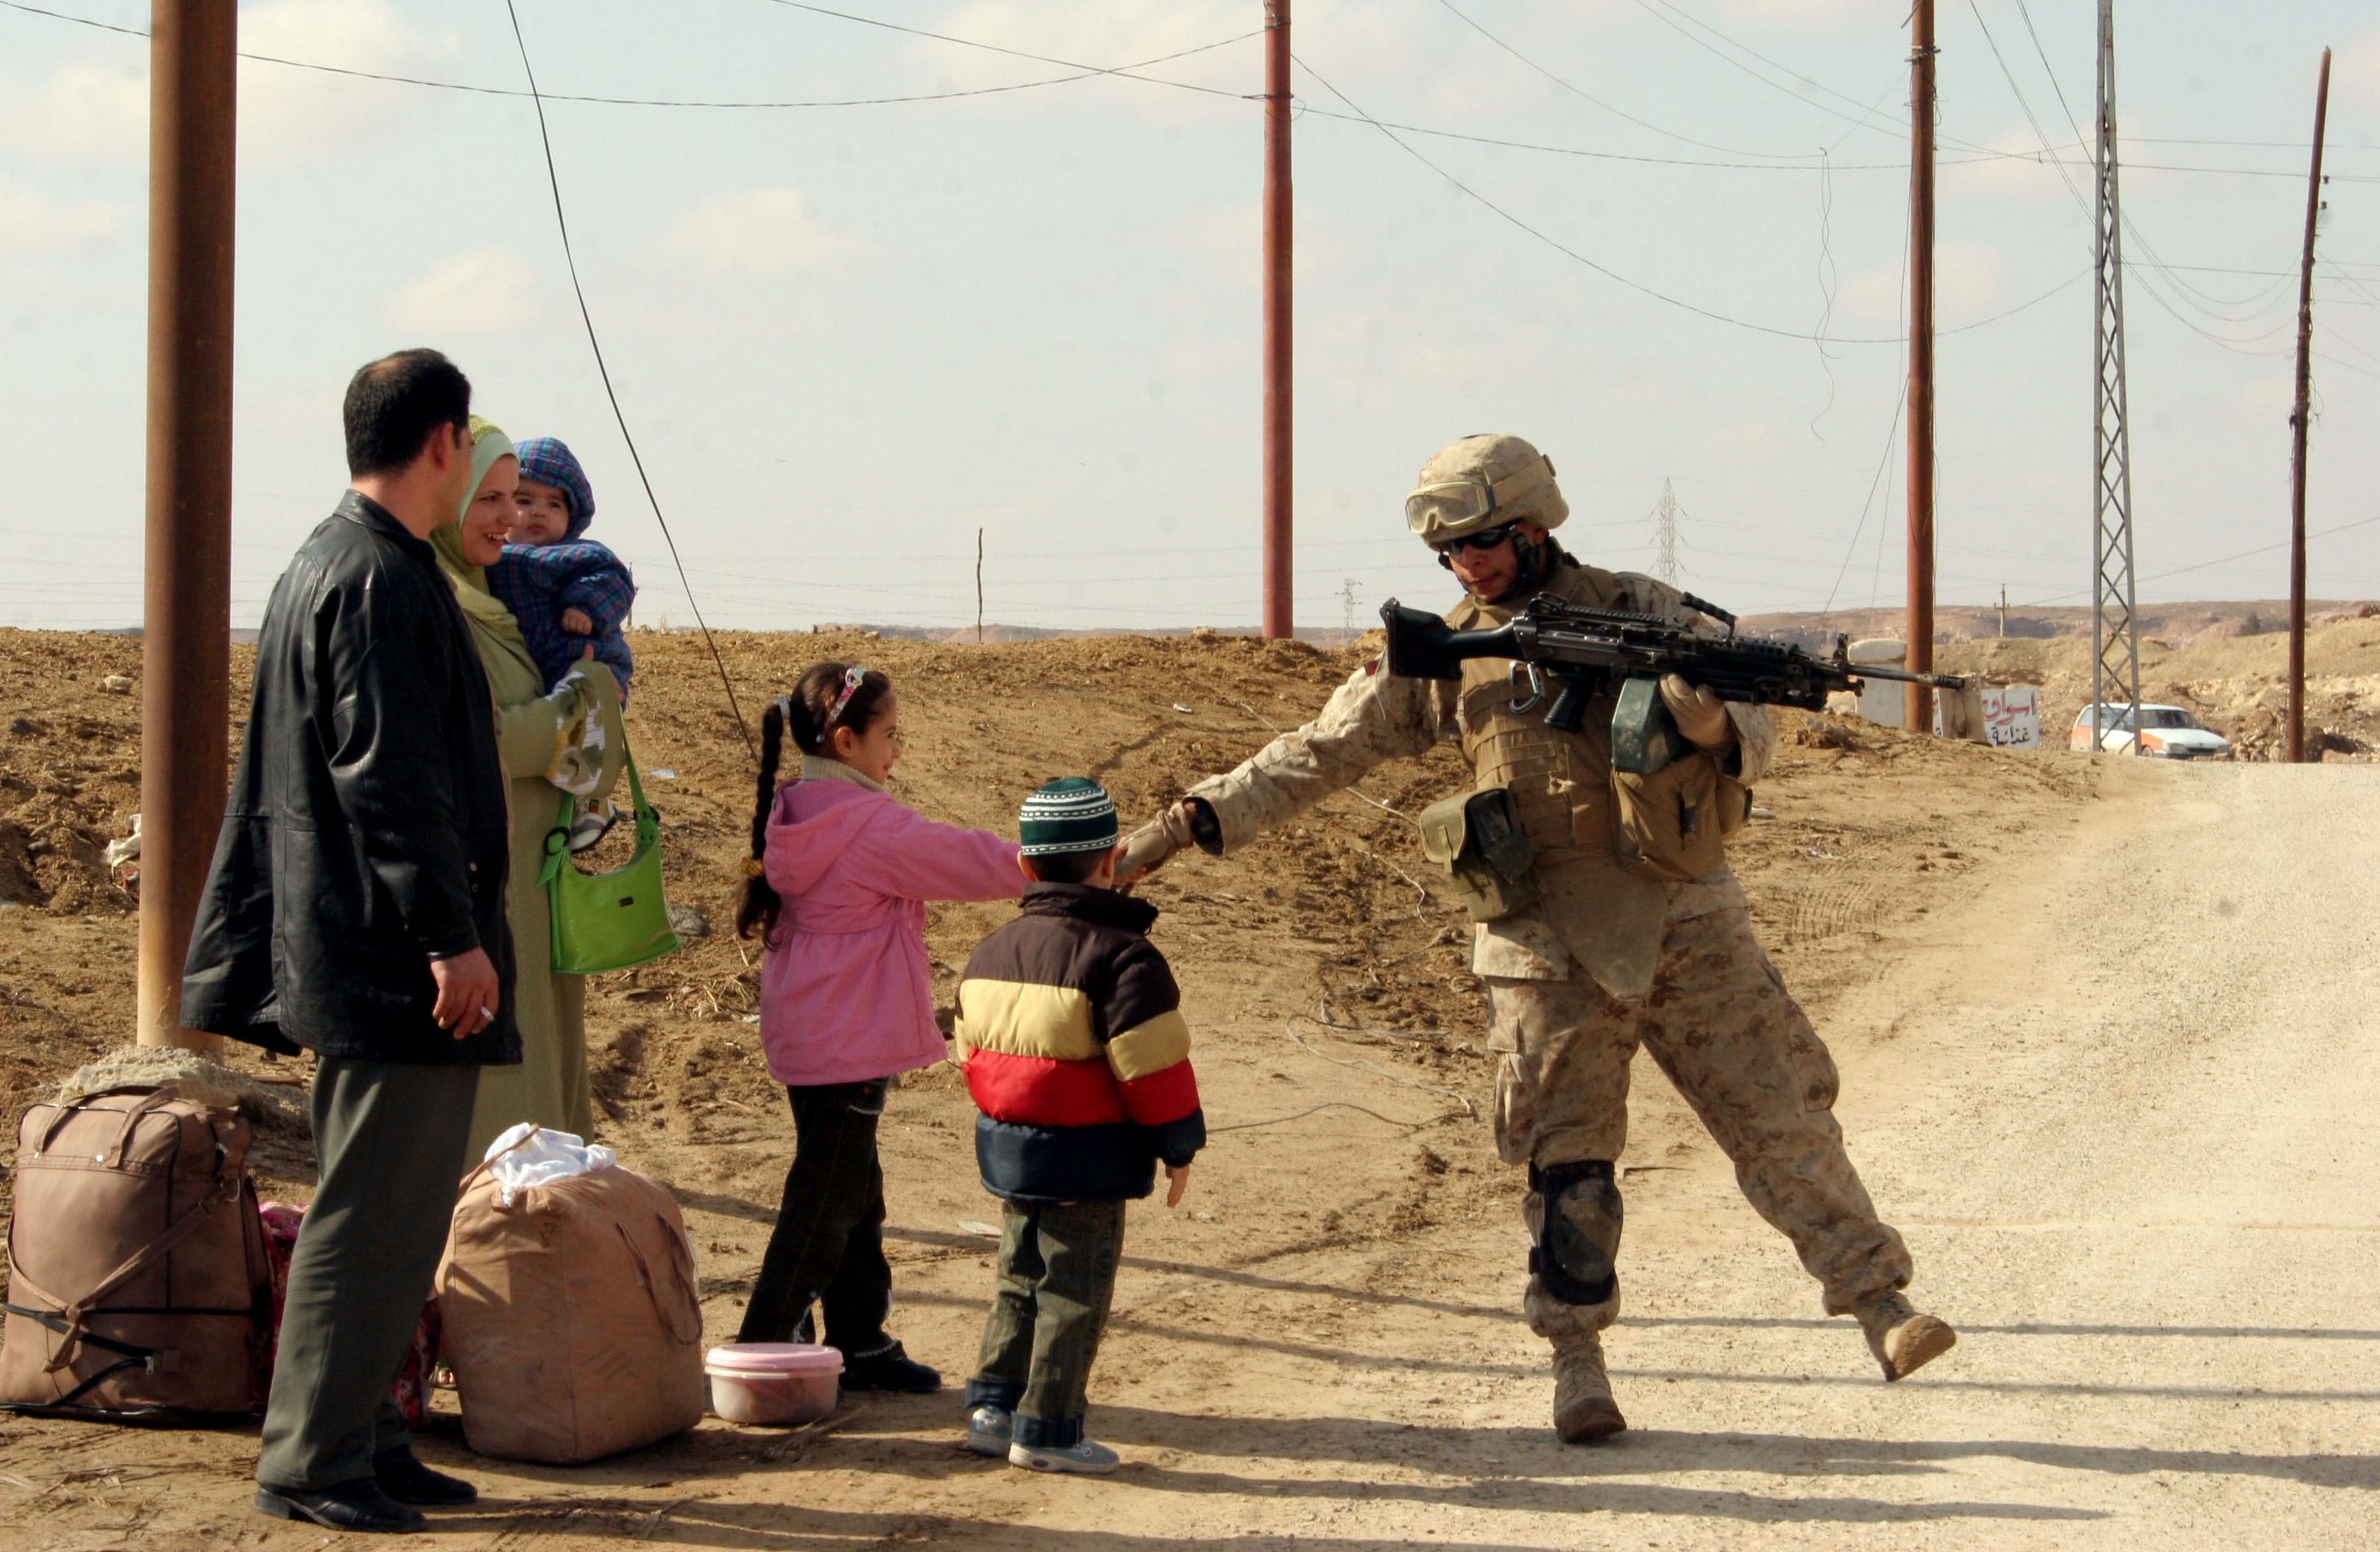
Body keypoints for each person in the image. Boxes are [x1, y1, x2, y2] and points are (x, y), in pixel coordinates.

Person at [1118, 433, 1956, 1445]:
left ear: (1532, 526)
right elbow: (1320, 750)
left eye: (1481, 543)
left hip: (1687, 919)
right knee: (1569, 1170)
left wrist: (1711, 728)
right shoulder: (1446, 655)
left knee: (1784, 1122)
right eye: (1449, 552)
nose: (1466, 565)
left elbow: (1761, 726)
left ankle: (1880, 1306)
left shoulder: (1644, 608)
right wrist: (1178, 825)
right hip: (1540, 944)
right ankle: (1576, 1361)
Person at [180, 350, 512, 1533]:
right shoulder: (369, 578)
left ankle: (366, 1432)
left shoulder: (345, 564)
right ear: (443, 441)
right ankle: (310, 1457)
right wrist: (449, 937)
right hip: (389, 959)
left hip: (361, 948)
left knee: (396, 1208)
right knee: (368, 1211)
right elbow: (389, 779)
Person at [735, 661, 1024, 1389]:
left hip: (811, 1031)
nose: (897, 750)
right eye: (889, 736)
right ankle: (765, 1346)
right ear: (844, 741)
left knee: (854, 1189)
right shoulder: (867, 826)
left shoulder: (797, 809)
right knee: (829, 1195)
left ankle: (859, 1339)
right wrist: (1054, 860)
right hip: (848, 1039)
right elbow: (968, 864)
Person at [953, 778, 1205, 1476]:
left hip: (1012, 1153)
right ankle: (1050, 1428)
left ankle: (992, 1407)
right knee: (1073, 1290)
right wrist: (1178, 1144)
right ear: (1113, 859)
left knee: (1017, 1276)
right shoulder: (1125, 958)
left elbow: (969, 1054)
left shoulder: (990, 952)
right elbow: (1152, 1071)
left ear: (1027, 868)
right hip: (1090, 1158)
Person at [434, 418, 628, 1166]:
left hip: (534, 877)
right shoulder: (439, 605)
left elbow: (596, 744)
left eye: (518, 500)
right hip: (486, 880)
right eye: (491, 499)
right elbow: (471, 738)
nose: (512, 517)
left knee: (544, 1052)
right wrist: (568, 712)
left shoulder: (511, 597)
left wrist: (583, 710)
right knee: (502, 1081)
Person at [486, 436, 635, 851]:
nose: (539, 511)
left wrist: (584, 607)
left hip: (583, 651)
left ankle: (594, 800)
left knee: (588, 727)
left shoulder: (575, 554)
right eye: (525, 499)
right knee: (563, 739)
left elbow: (613, 582)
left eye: (555, 504)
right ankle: (576, 803)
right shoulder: (495, 556)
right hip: (540, 663)